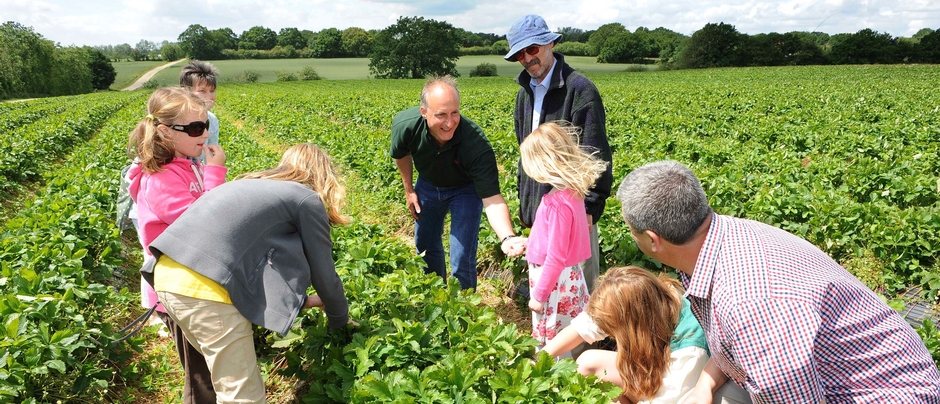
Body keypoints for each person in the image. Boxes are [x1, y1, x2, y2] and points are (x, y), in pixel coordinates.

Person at [616, 160, 940, 403]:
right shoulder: (723, 236)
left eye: (631, 230)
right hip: (824, 379)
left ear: (653, 240)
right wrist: (705, 383)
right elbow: (739, 346)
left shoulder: (749, 300)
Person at [143, 144, 356, 403]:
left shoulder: (245, 185)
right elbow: (325, 275)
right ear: (325, 175)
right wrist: (340, 321)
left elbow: (253, 265)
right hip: (206, 291)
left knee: (225, 379)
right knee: (242, 397)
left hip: (168, 279)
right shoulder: (304, 198)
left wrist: (302, 302)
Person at [127, 86, 227, 403]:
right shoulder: (160, 179)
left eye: (207, 125)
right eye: (196, 128)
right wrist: (214, 173)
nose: (205, 133)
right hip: (178, 290)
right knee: (200, 374)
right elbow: (202, 222)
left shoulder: (187, 165)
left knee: (209, 361)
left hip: (194, 281)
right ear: (166, 132)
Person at [505, 14, 613, 293]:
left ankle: (584, 340)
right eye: (520, 54)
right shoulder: (524, 93)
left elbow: (596, 154)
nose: (527, 59)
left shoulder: (580, 90)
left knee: (578, 297)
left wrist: (588, 209)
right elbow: (526, 156)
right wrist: (527, 208)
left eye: (532, 49)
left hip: (574, 215)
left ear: (550, 43)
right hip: (541, 216)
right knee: (548, 296)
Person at [542, 266, 751, 404]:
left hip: (686, 389)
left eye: (614, 331)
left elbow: (670, 398)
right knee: (588, 362)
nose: (611, 335)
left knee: (608, 390)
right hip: (661, 367)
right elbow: (582, 328)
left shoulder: (688, 347)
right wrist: (539, 359)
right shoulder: (652, 298)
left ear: (633, 327)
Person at [390, 75, 523, 290]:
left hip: (465, 191)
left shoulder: (476, 145)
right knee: (425, 246)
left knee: (461, 256)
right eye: (441, 115)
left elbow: (492, 198)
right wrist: (409, 190)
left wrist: (507, 237)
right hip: (428, 184)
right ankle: (434, 295)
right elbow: (401, 153)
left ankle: (464, 308)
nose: (450, 122)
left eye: (455, 113)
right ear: (424, 112)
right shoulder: (406, 125)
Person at [515, 122, 606, 354]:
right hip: (570, 276)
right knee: (567, 331)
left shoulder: (557, 204)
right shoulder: (573, 194)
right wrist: (531, 243)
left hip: (554, 282)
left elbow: (555, 256)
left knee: (552, 340)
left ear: (543, 164)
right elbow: (563, 241)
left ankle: (551, 378)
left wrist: (538, 295)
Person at [179, 60, 221, 164]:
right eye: (202, 91)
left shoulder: (212, 120)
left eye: (212, 91)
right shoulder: (177, 120)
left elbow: (210, 156)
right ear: (185, 91)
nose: (210, 96)